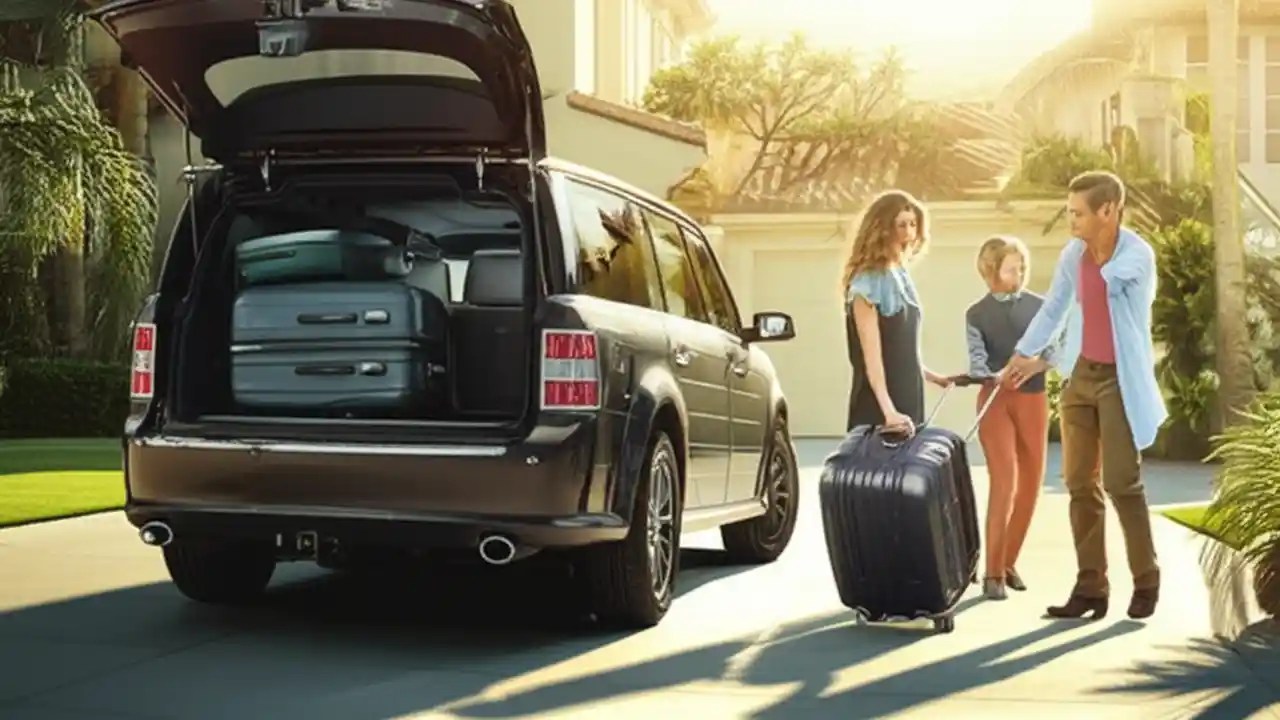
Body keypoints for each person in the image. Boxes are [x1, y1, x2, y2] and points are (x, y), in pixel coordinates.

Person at [1004, 170, 1167, 621]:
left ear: (1109, 211)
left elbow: (1113, 280)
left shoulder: (1136, 256)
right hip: (1080, 377)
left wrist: (1096, 253)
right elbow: (1055, 306)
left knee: (1121, 481)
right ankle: (1091, 586)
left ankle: (1146, 578)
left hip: (1119, 379)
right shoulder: (1074, 254)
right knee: (1078, 482)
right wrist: (1024, 354)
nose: (1070, 220)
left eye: (1078, 213)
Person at [965, 236, 1058, 601]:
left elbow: (1054, 349)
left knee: (1030, 485)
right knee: (1004, 481)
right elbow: (976, 361)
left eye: (1021, 267)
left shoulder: (1041, 307)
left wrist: (1034, 364)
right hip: (995, 401)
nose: (1017, 274)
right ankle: (992, 574)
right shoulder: (975, 314)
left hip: (1034, 400)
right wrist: (995, 374)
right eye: (1009, 268)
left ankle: (1008, 561)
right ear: (990, 271)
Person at [842, 189, 952, 435]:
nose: (909, 232)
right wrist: (889, 412)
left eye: (913, 224)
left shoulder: (900, 273)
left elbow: (900, 346)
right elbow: (872, 357)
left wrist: (931, 376)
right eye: (901, 225)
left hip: (909, 400)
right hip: (880, 408)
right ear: (882, 228)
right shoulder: (867, 283)